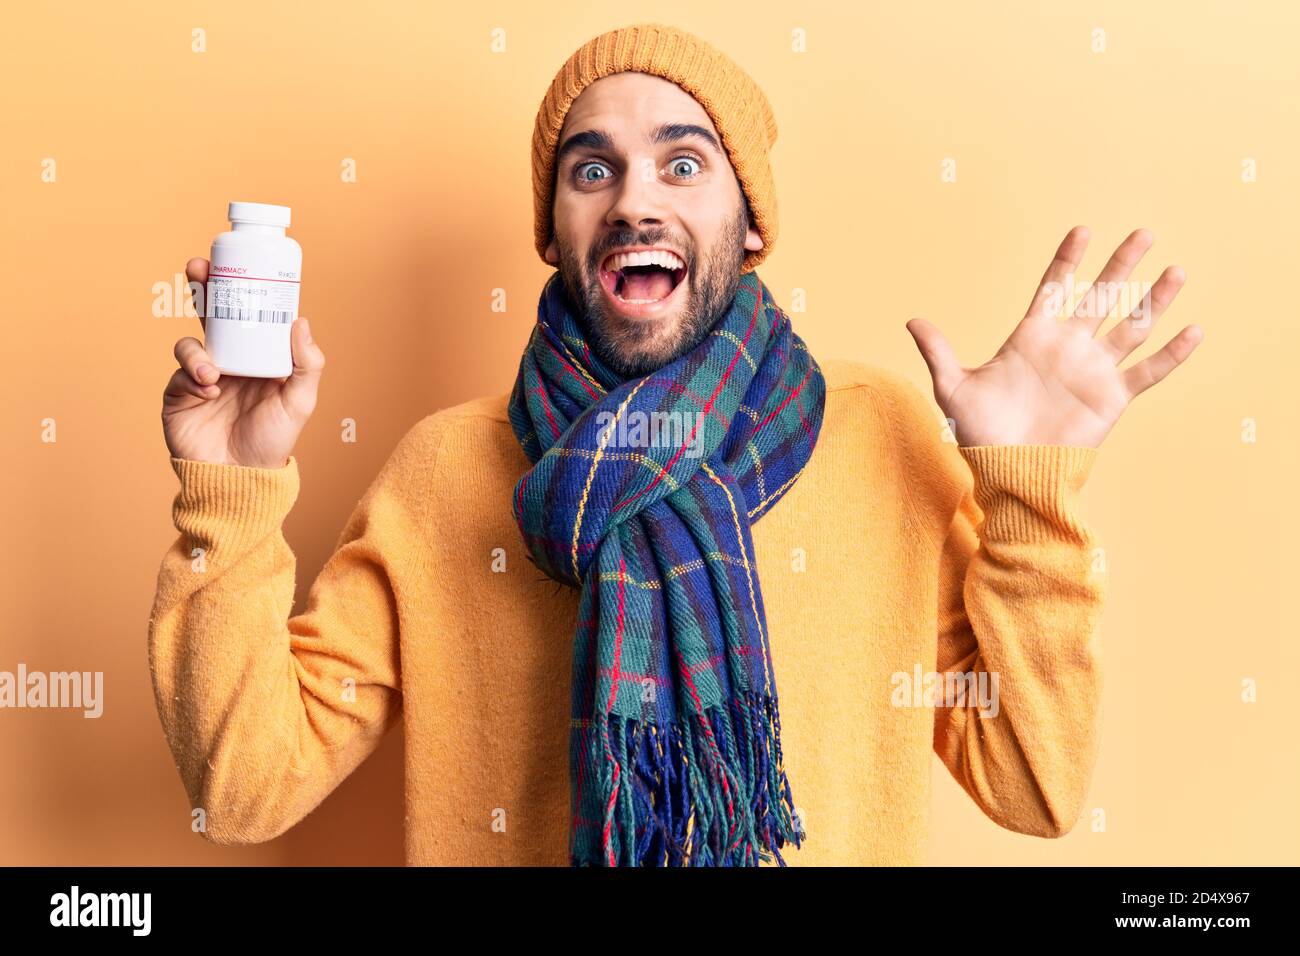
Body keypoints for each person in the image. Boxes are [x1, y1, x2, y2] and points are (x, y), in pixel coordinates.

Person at [150, 23, 1202, 866]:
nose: (635, 200)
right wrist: (227, 491)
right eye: (590, 169)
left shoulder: (876, 435)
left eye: (683, 162)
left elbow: (1034, 783)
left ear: (749, 223)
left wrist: (1025, 498)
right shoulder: (444, 472)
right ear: (553, 228)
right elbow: (245, 788)